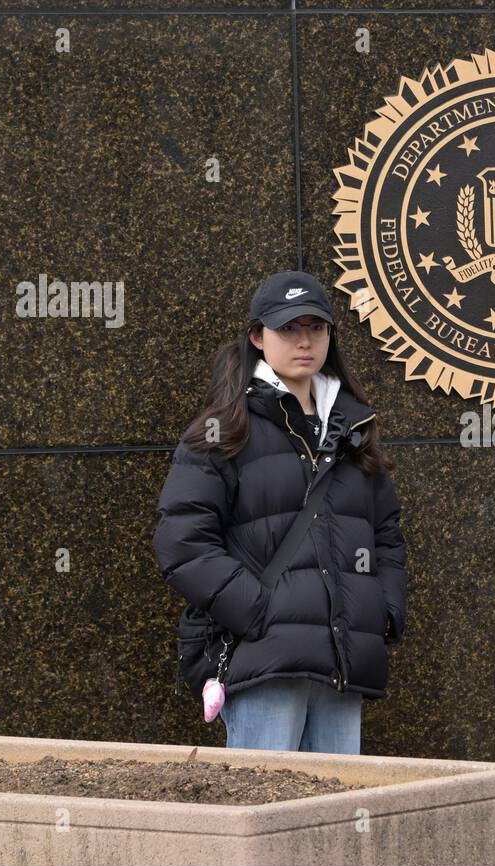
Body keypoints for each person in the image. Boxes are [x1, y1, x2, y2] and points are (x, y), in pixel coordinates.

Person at [152, 270, 406, 754]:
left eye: (316, 327)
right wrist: (258, 612)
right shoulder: (223, 429)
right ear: (257, 337)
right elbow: (181, 542)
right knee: (264, 815)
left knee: (334, 818)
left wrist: (384, 611)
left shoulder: (353, 428)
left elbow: (386, 534)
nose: (304, 340)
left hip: (342, 662)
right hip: (266, 663)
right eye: (288, 328)